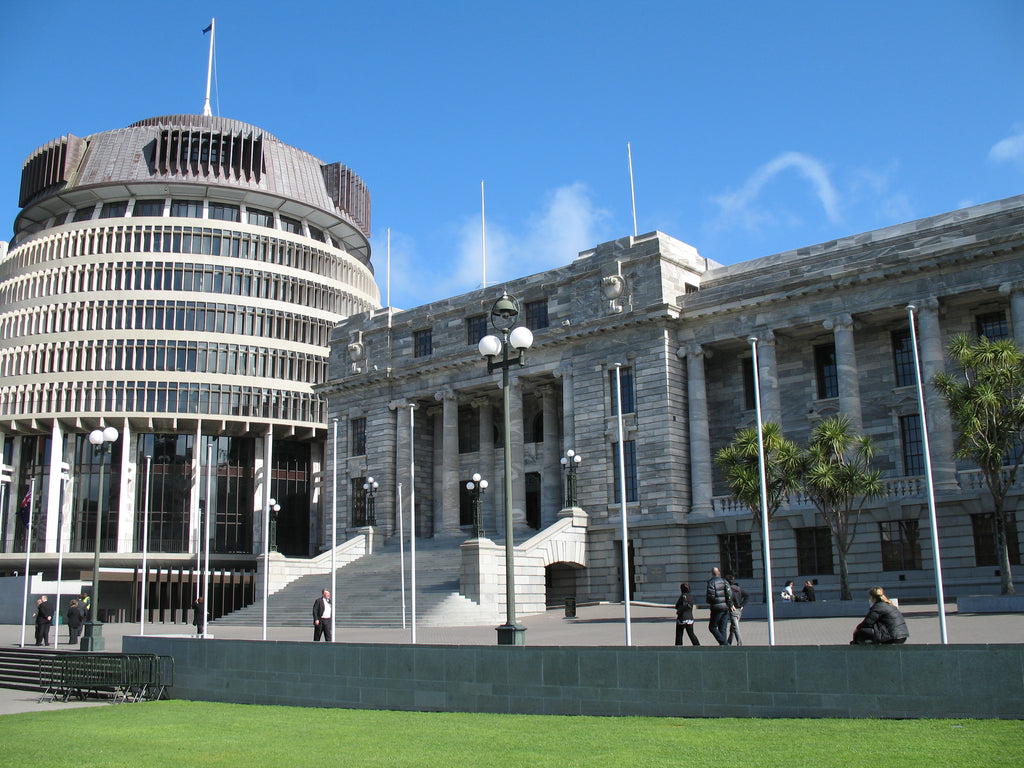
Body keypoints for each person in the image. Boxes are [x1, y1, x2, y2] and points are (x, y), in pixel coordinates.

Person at [704, 567, 733, 645]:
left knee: (712, 627)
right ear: (719, 573)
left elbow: (711, 597)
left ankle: (725, 644)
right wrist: (730, 604)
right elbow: (729, 594)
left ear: (712, 574)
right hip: (725, 607)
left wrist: (709, 601)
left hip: (716, 608)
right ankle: (724, 645)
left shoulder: (711, 583)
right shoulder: (725, 581)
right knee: (723, 628)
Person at [726, 574, 747, 646]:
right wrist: (742, 605)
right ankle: (729, 642)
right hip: (739, 610)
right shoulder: (738, 589)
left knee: (735, 627)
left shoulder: (729, 589)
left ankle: (740, 643)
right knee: (733, 627)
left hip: (733, 610)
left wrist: (731, 605)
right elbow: (747, 595)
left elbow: (729, 598)